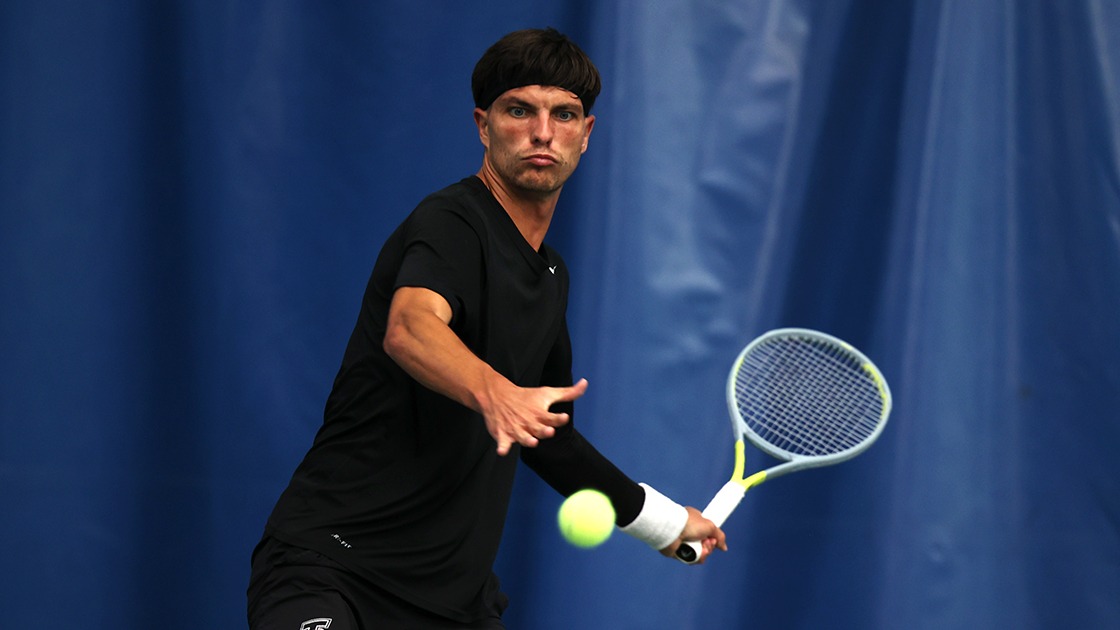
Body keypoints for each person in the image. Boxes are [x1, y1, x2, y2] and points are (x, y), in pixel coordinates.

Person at [247, 27, 727, 630]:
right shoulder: (451, 222)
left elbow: (550, 437)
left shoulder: (550, 275)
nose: (543, 132)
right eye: (519, 110)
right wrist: (495, 392)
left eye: (565, 114)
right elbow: (411, 326)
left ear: (586, 135)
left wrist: (663, 524)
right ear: (484, 125)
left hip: (454, 604)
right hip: (334, 572)